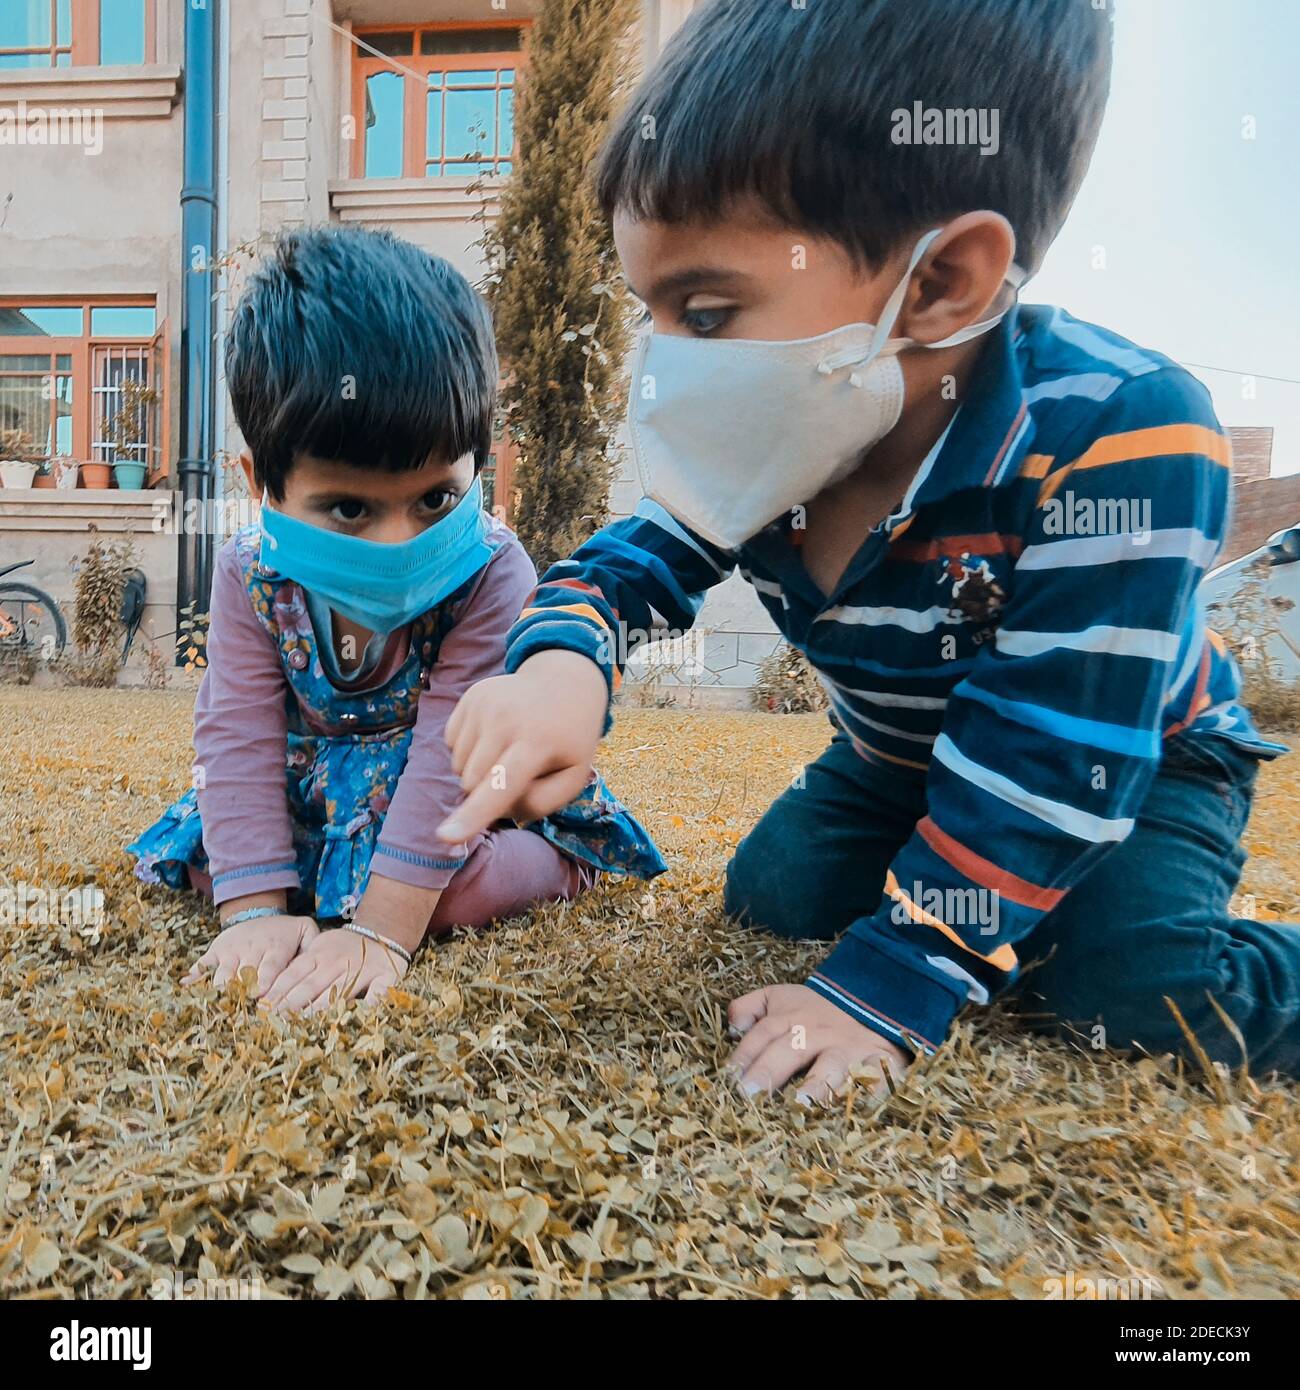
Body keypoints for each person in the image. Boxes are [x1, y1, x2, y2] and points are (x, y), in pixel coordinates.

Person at [442, 0, 1299, 1096]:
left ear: (941, 283)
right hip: (896, 766)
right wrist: (562, 663)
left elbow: (1051, 754)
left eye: (703, 311)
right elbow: (619, 569)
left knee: (1130, 994)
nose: (662, 364)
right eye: (646, 311)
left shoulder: (1120, 426)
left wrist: (894, 980)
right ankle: (992, 904)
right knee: (775, 896)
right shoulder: (782, 438)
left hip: (1130, 766)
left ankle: (1026, 915)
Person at [128, 226, 664, 1013]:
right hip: (317, 794)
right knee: (214, 860)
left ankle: (557, 863)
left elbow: (448, 764)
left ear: (475, 463)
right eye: (348, 508)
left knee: (450, 893)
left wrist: (380, 932)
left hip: (450, 790)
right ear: (262, 484)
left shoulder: (492, 571)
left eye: (434, 499)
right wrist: (252, 915)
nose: (399, 541)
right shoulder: (249, 575)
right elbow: (235, 737)